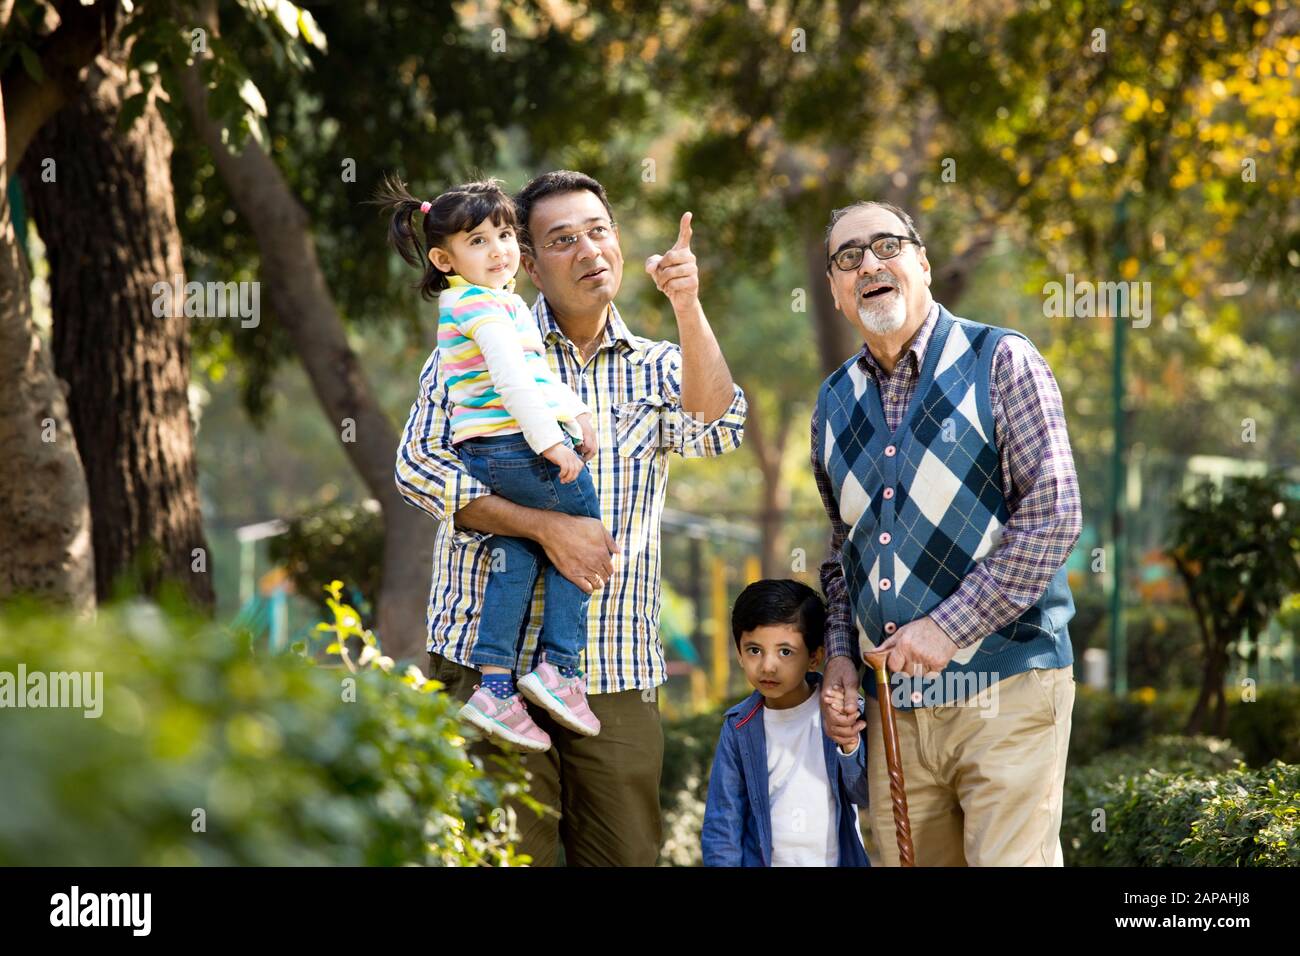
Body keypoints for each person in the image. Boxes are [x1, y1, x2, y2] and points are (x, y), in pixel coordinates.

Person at [395, 170, 747, 866]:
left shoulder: (656, 367)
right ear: (526, 262)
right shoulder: (473, 347)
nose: (589, 250)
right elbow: (417, 469)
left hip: (611, 675)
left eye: (599, 231)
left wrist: (686, 301)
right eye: (562, 239)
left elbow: (717, 422)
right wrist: (544, 527)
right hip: (485, 671)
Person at [813, 200, 1082, 866]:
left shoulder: (1002, 360)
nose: (869, 263)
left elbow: (1054, 515)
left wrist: (949, 627)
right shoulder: (832, 401)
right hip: (896, 710)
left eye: (887, 246)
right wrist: (842, 654)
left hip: (1009, 686)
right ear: (836, 292)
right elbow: (841, 550)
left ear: (922, 263)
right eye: (849, 257)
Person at [377, 175, 601, 752]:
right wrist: (554, 442)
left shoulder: (489, 303)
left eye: (504, 234)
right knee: (588, 526)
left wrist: (578, 414)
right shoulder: (482, 309)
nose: (499, 248)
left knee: (518, 550)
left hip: (491, 453)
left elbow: (538, 375)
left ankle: (496, 685)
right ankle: (559, 667)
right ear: (442, 257)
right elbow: (513, 381)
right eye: (477, 241)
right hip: (511, 447)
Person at [701, 579, 870, 867]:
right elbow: (723, 822)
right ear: (739, 653)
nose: (768, 665)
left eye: (785, 652)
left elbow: (864, 794)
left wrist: (850, 745)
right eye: (754, 650)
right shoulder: (739, 728)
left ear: (815, 657)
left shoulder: (841, 713)